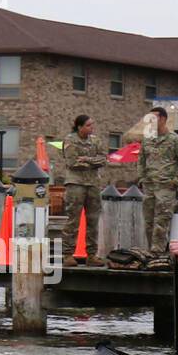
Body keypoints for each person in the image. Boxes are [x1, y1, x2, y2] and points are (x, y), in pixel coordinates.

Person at [138, 106, 178, 254]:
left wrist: (176, 181)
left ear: (162, 119)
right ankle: (151, 250)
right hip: (149, 186)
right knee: (149, 222)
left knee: (161, 222)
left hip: (166, 187)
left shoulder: (175, 140)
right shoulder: (147, 139)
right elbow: (141, 160)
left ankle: (157, 252)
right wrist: (142, 178)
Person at [62, 114, 109, 266]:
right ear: (79, 127)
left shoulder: (96, 141)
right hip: (75, 183)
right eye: (88, 125)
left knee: (93, 220)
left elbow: (103, 159)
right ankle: (68, 254)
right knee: (73, 220)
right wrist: (93, 162)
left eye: (92, 125)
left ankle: (92, 254)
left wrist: (87, 159)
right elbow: (72, 162)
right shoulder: (70, 140)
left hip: (93, 184)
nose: (91, 127)